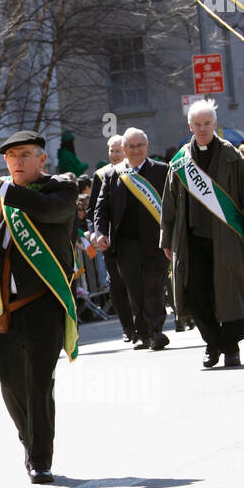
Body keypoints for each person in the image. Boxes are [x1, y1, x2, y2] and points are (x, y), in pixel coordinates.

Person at [0, 132, 78, 484]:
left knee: (39, 382)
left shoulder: (60, 187)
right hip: (1, 305)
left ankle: (40, 458)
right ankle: (29, 435)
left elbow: (51, 212)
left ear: (42, 160)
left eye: (24, 155)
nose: (16, 161)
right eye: (10, 156)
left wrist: (2, 190)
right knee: (5, 374)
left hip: (42, 304)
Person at [160, 98, 244, 369]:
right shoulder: (180, 162)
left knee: (230, 293)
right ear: (190, 125)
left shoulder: (233, 157)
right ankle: (212, 342)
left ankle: (228, 348)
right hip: (191, 239)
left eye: (207, 123)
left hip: (228, 237)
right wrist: (166, 238)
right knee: (195, 294)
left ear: (215, 123)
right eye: (197, 124)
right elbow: (169, 203)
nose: (203, 128)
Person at [94, 128, 169, 351]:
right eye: (131, 146)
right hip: (125, 244)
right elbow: (101, 208)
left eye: (140, 146)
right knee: (135, 290)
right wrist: (100, 232)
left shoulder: (162, 171)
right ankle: (143, 334)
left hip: (156, 242)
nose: (136, 150)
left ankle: (156, 331)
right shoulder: (113, 174)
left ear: (147, 147)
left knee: (154, 287)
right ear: (124, 150)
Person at [86, 135, 135, 341]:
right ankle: (128, 328)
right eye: (111, 150)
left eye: (117, 150)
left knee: (137, 284)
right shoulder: (101, 175)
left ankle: (145, 325)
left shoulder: (134, 172)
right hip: (111, 241)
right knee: (116, 283)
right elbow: (93, 210)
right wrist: (97, 233)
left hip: (133, 239)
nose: (113, 155)